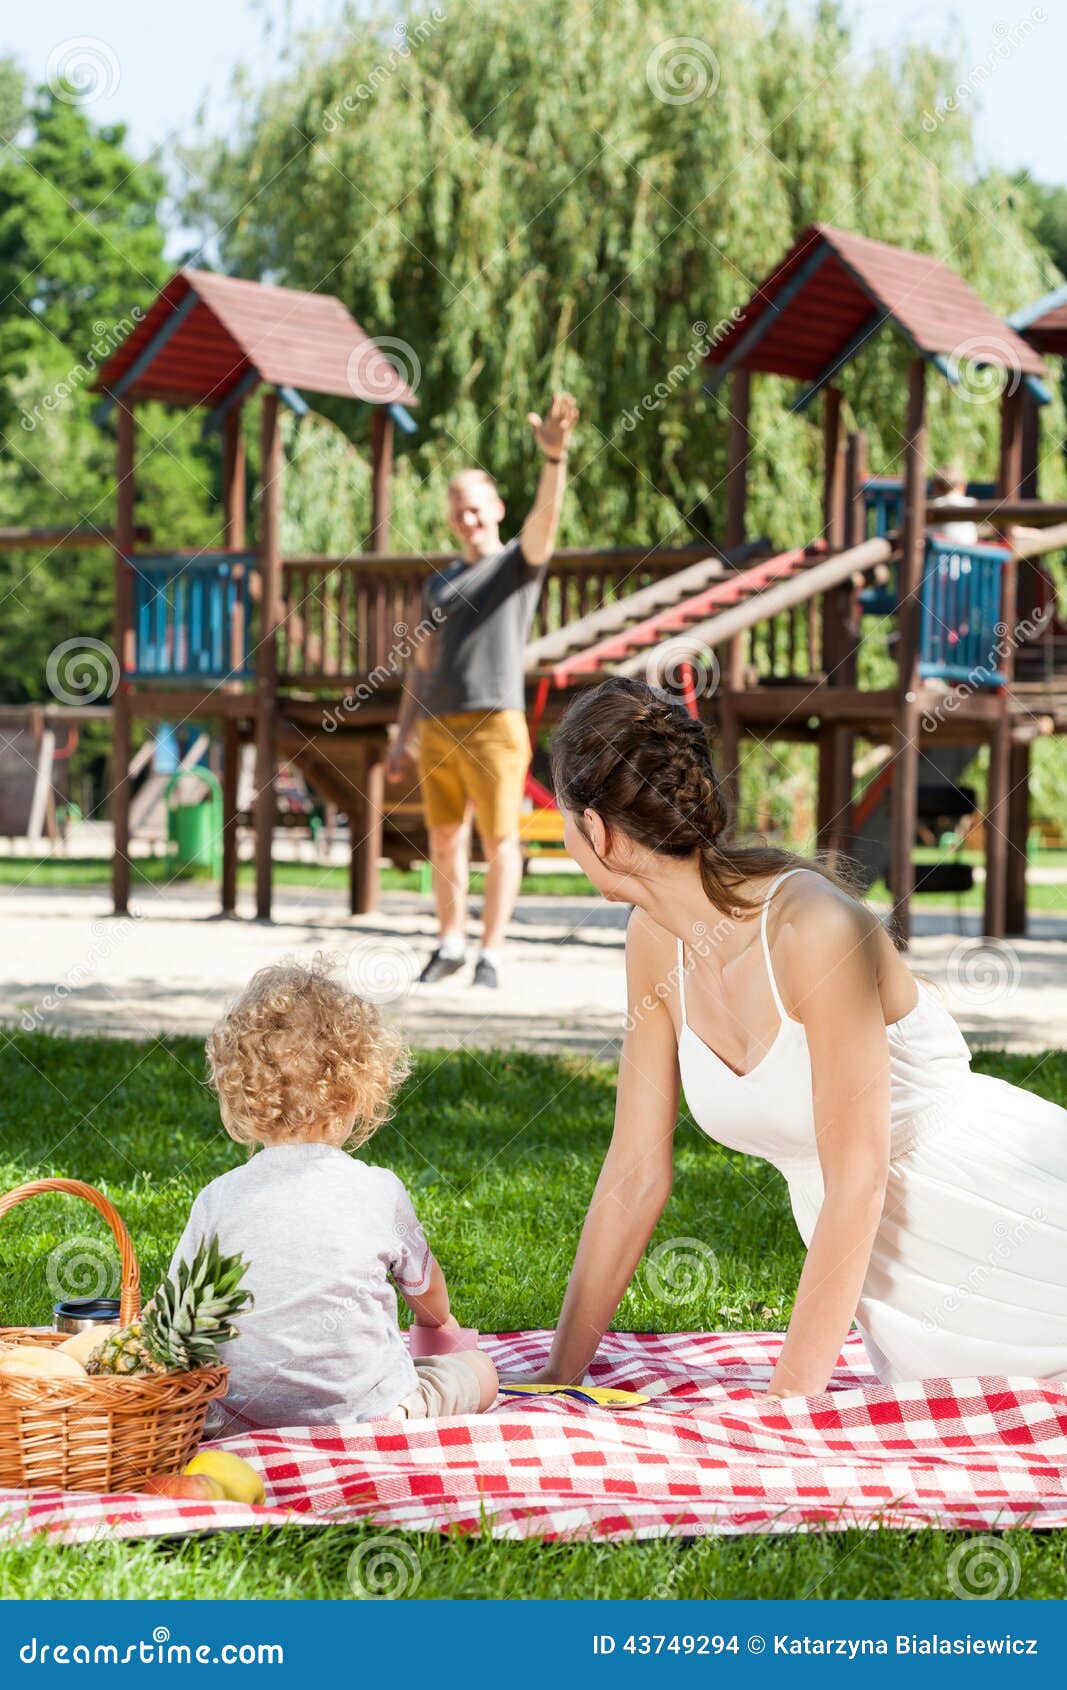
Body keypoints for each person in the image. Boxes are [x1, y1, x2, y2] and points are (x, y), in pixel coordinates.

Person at [525, 677, 1067, 1396]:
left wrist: (787, 1405)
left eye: (565, 816)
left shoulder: (812, 928)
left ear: (596, 830)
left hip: (1014, 1222)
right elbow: (634, 1173)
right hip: (908, 1293)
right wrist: (559, 1374)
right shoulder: (654, 941)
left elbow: (859, 1180)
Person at [170, 959, 498, 1429]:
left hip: (242, 1413)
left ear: (240, 1093)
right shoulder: (379, 1190)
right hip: (367, 1411)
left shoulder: (218, 1199)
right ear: (353, 1097)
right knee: (478, 1371)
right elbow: (428, 1295)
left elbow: (182, 1318)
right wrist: (435, 1325)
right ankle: (402, 1410)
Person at [387, 394, 580, 990]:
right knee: (444, 839)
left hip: (496, 722)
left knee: (500, 840)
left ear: (496, 508)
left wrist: (555, 458)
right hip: (436, 723)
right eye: (458, 512)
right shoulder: (438, 583)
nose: (467, 520)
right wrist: (401, 734)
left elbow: (546, 522)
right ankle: (449, 942)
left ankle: (490, 954)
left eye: (475, 509)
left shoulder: (516, 565)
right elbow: (420, 665)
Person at [929, 464, 979, 545]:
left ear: (935, 488)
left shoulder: (933, 506)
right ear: (963, 485)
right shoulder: (971, 503)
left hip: (937, 555)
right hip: (969, 555)